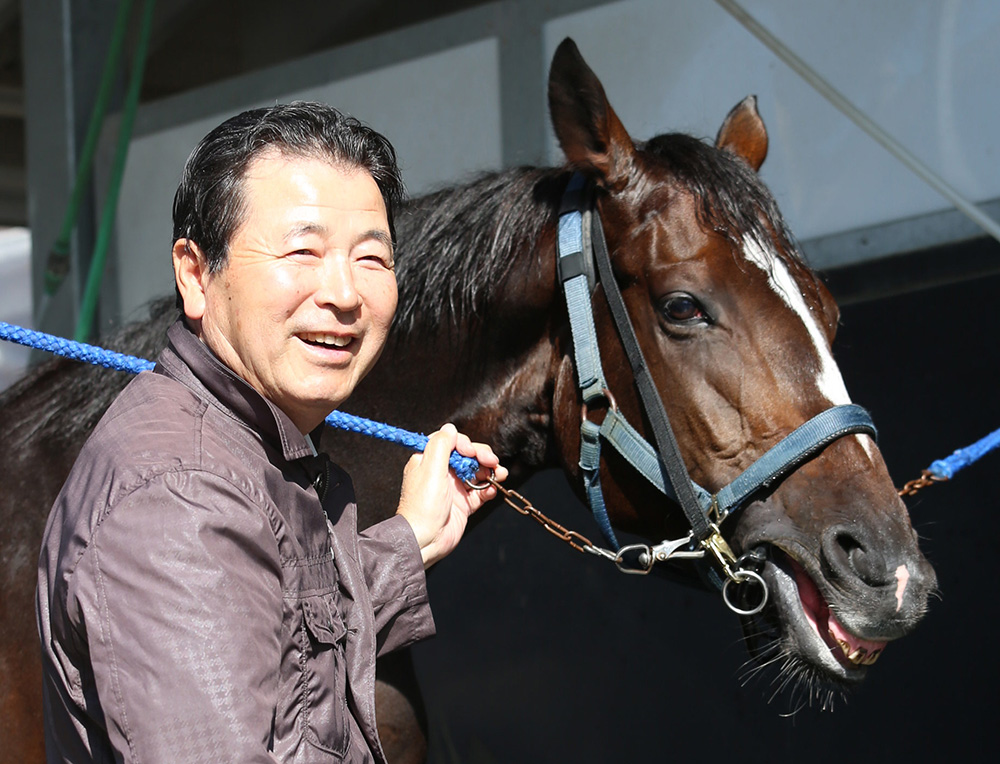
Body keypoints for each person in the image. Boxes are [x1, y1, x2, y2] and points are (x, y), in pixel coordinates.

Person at [36, 102, 506, 764]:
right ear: (197, 275)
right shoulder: (179, 496)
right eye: (302, 251)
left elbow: (274, 633)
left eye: (371, 258)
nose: (343, 293)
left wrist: (411, 538)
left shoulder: (248, 447)